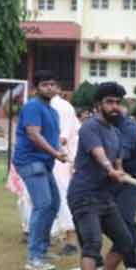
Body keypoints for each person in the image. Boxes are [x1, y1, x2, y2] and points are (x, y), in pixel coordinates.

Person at [67, 82, 136, 270]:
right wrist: (110, 169)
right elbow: (101, 157)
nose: (115, 106)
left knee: (125, 241)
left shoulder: (115, 132)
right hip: (84, 194)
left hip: (104, 196)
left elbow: (117, 164)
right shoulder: (90, 128)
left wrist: (121, 172)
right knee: (92, 245)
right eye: (110, 102)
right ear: (99, 105)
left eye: (118, 102)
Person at [13, 69, 69, 270]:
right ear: (36, 87)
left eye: (53, 84)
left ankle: (42, 250)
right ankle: (34, 257)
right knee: (43, 204)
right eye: (45, 84)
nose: (50, 87)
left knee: (53, 203)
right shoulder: (33, 107)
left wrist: (60, 150)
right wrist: (55, 153)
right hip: (30, 161)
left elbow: (53, 138)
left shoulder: (52, 111)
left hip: (44, 163)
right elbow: (34, 135)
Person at [113, 105, 136, 270]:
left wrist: (113, 165)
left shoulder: (128, 127)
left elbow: (122, 153)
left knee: (125, 221)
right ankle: (96, 261)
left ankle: (134, 269)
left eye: (117, 102)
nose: (114, 107)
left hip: (130, 179)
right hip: (108, 178)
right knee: (89, 218)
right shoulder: (98, 125)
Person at [51, 93, 81, 256]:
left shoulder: (60, 107)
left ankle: (71, 240)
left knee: (63, 197)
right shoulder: (54, 106)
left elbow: (61, 138)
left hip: (63, 158)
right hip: (58, 156)